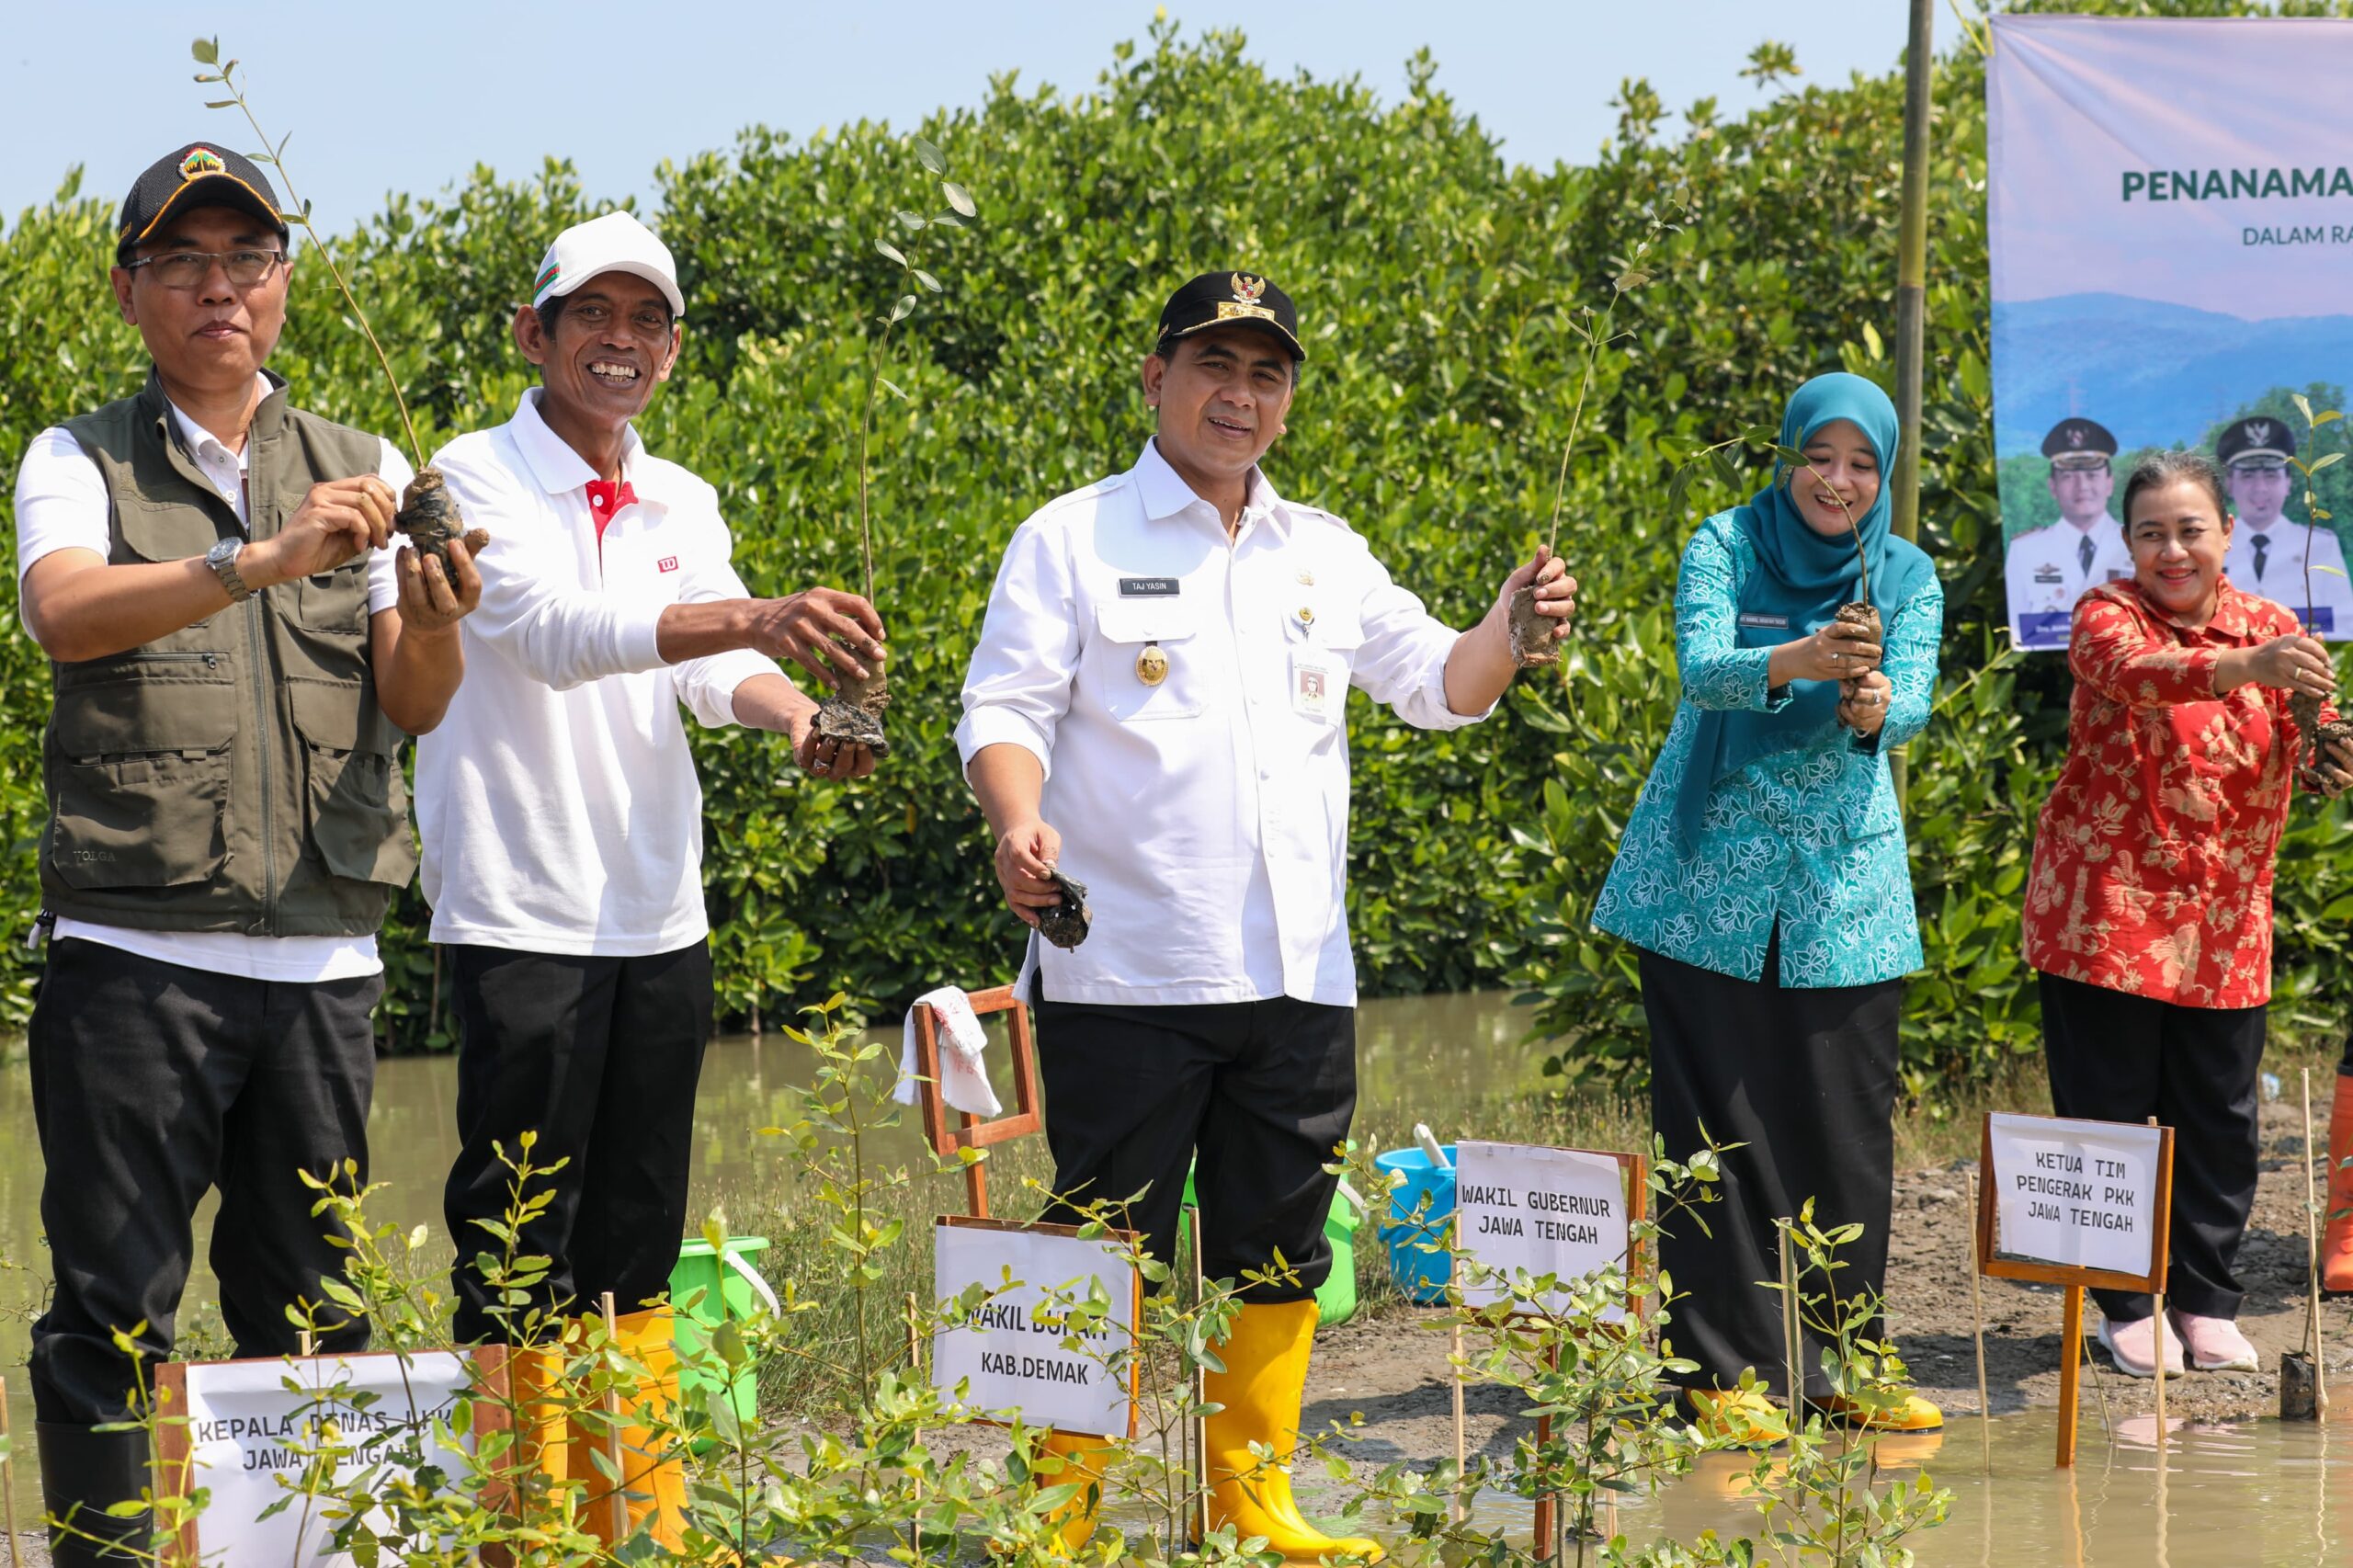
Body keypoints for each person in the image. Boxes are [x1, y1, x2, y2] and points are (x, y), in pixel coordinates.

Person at [956, 269, 1574, 1558]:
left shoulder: (1325, 551)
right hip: (1123, 966)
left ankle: (1253, 1500)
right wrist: (1018, 822)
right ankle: (1056, 1510)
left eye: (1267, 374)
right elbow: (1002, 711)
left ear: (1288, 398)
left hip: (1298, 975)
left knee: (1279, 1246)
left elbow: (1438, 684)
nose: (1239, 397)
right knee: (1095, 1245)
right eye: (1214, 367)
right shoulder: (1071, 536)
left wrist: (1510, 628)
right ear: (1155, 376)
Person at [10, 142, 480, 1562]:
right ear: (127, 290)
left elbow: (413, 700)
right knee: (110, 1308)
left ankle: (314, 1549)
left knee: (319, 1306)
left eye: (248, 261)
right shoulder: (73, 455)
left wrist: (442, 611)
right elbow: (65, 615)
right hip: (133, 957)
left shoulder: (372, 463)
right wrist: (257, 560)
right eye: (184, 262)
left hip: (325, 957)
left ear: (284, 284)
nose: (221, 288)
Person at [415, 210, 884, 1548]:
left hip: (656, 908)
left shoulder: (680, 498)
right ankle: (524, 1528)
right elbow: (553, 634)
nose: (622, 344)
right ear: (535, 332)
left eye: (649, 322)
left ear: (672, 346)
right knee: (516, 1230)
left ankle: (641, 1522)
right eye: (595, 318)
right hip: (519, 905)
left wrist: (794, 711)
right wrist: (752, 616)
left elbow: (705, 662)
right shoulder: (470, 475)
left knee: (639, 1222)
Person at [1591, 372, 1944, 1441]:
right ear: (1787, 453)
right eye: (1819, 456)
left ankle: (1848, 1363)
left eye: (1861, 463)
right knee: (1714, 1131)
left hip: (1842, 886)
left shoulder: (1906, 571)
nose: (1836, 480)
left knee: (1842, 1132)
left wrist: (1878, 699)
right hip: (1706, 879)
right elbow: (1702, 668)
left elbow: (1914, 697)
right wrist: (1800, 660)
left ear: (1881, 475)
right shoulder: (1726, 542)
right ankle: (1719, 1376)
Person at [2025, 449, 2351, 1377]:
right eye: (2151, 532)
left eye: (2189, 529)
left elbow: (2302, 735)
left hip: (2223, 913)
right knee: (2112, 1114)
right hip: (2105, 915)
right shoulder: (2103, 616)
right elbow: (2138, 674)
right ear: (2125, 543)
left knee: (2219, 1115)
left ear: (2222, 536)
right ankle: (2124, 1305)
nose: (2172, 548)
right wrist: (2244, 664)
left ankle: (2205, 1298)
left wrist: (2327, 746)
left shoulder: (2275, 622)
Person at [2217, 415, 2353, 634]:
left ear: (2288, 483)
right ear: (2230, 484)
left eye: (2271, 476)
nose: (2260, 488)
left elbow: (2345, 626)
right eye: (2248, 476)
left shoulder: (2321, 545)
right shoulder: (2211, 545)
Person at [2006, 416, 2130, 651]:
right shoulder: (2024, 550)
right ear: (2053, 486)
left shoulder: (2137, 543)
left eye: (2092, 475)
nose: (2082, 486)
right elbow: (2019, 629)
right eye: (2068, 477)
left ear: (2110, 483)